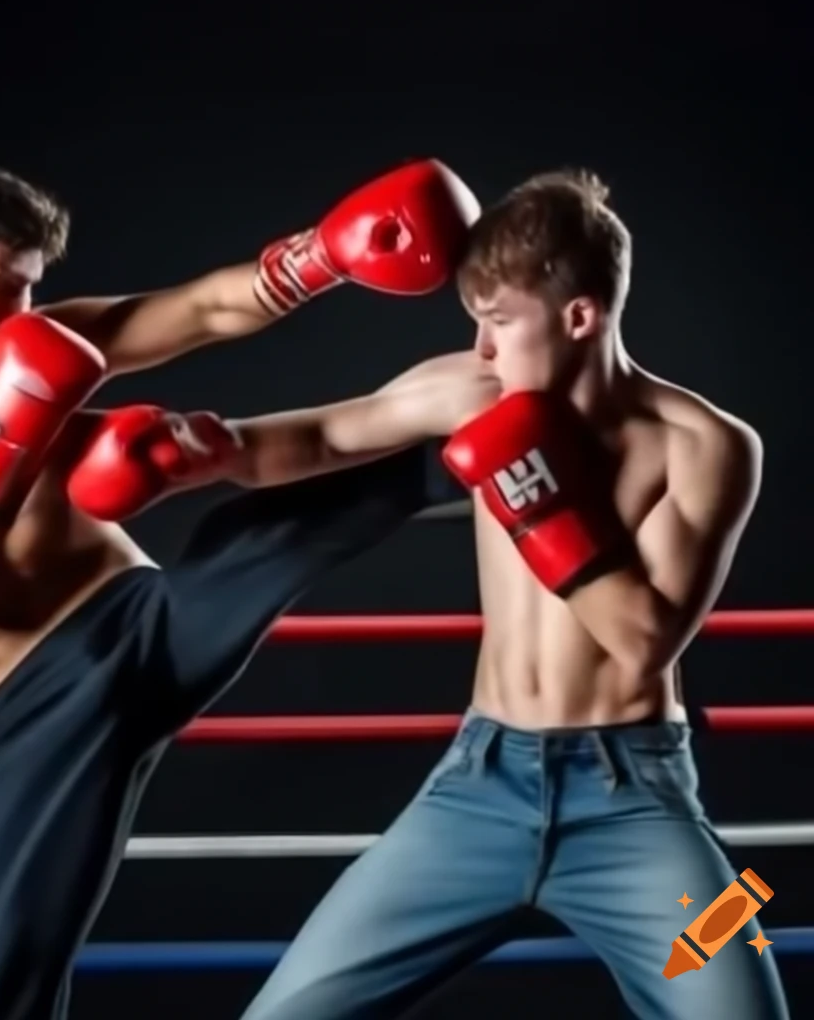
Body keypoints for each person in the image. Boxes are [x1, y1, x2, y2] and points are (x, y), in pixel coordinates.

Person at [0, 154, 479, 1019]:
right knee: (9, 981)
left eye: (33, 290)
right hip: (47, 703)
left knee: (250, 529)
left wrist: (323, 256)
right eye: (2, 288)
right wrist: (6, 436)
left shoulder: (40, 344)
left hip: (153, 619)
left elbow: (203, 309)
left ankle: (476, 447)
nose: (21, 315)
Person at [230, 169, 790, 1019]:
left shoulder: (705, 445)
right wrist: (186, 452)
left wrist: (540, 502)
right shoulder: (473, 390)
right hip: (474, 791)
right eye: (475, 326)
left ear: (580, 317)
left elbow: (645, 641)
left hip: (639, 808)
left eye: (499, 325)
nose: (483, 350)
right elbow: (320, 436)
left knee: (743, 1008)